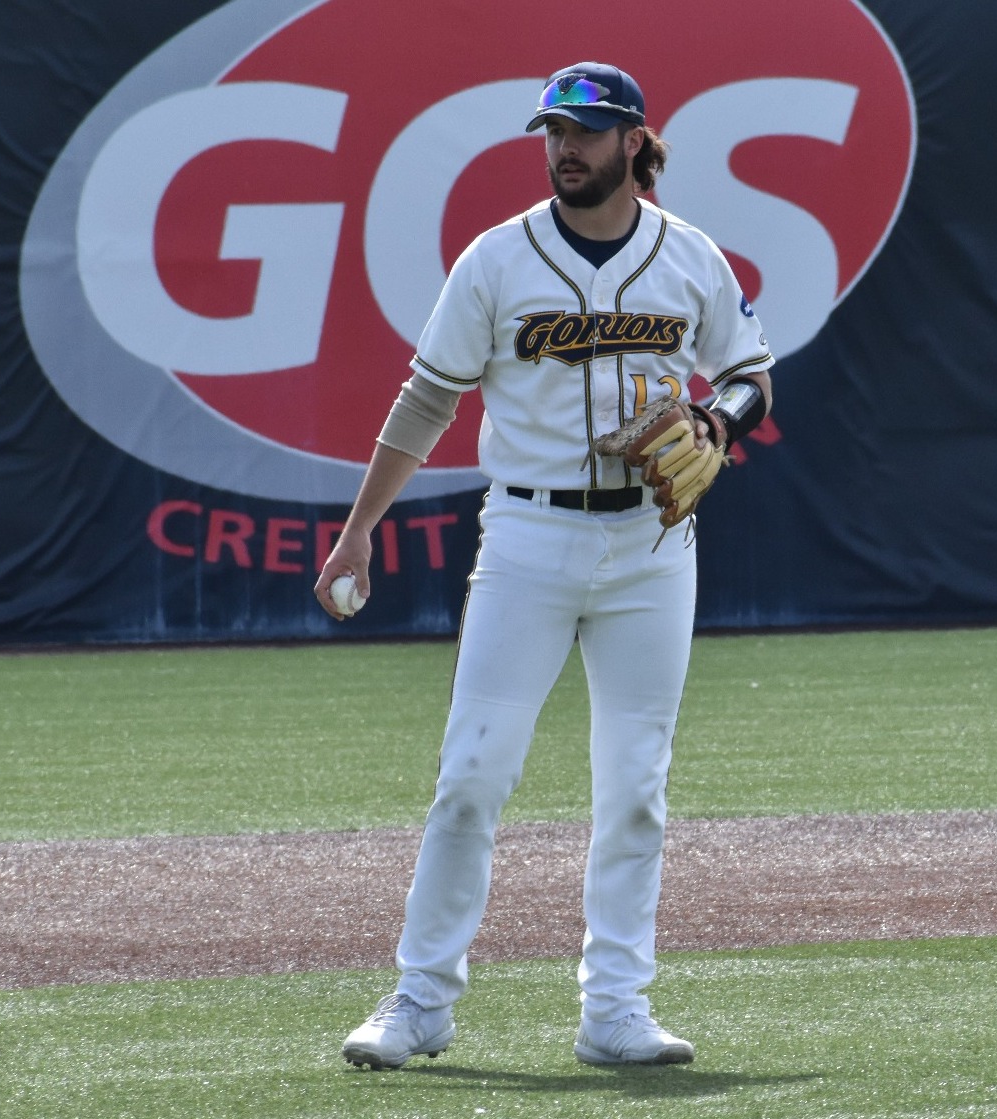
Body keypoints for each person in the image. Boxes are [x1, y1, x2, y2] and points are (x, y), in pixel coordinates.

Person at [314, 60, 775, 1069]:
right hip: (527, 536)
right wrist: (357, 529)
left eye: (587, 130)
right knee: (472, 775)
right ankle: (418, 1001)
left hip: (651, 545)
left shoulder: (687, 256)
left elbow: (748, 374)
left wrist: (714, 421)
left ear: (630, 140)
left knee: (634, 785)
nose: (565, 148)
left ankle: (615, 1009)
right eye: (553, 131)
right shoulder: (496, 259)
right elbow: (425, 399)